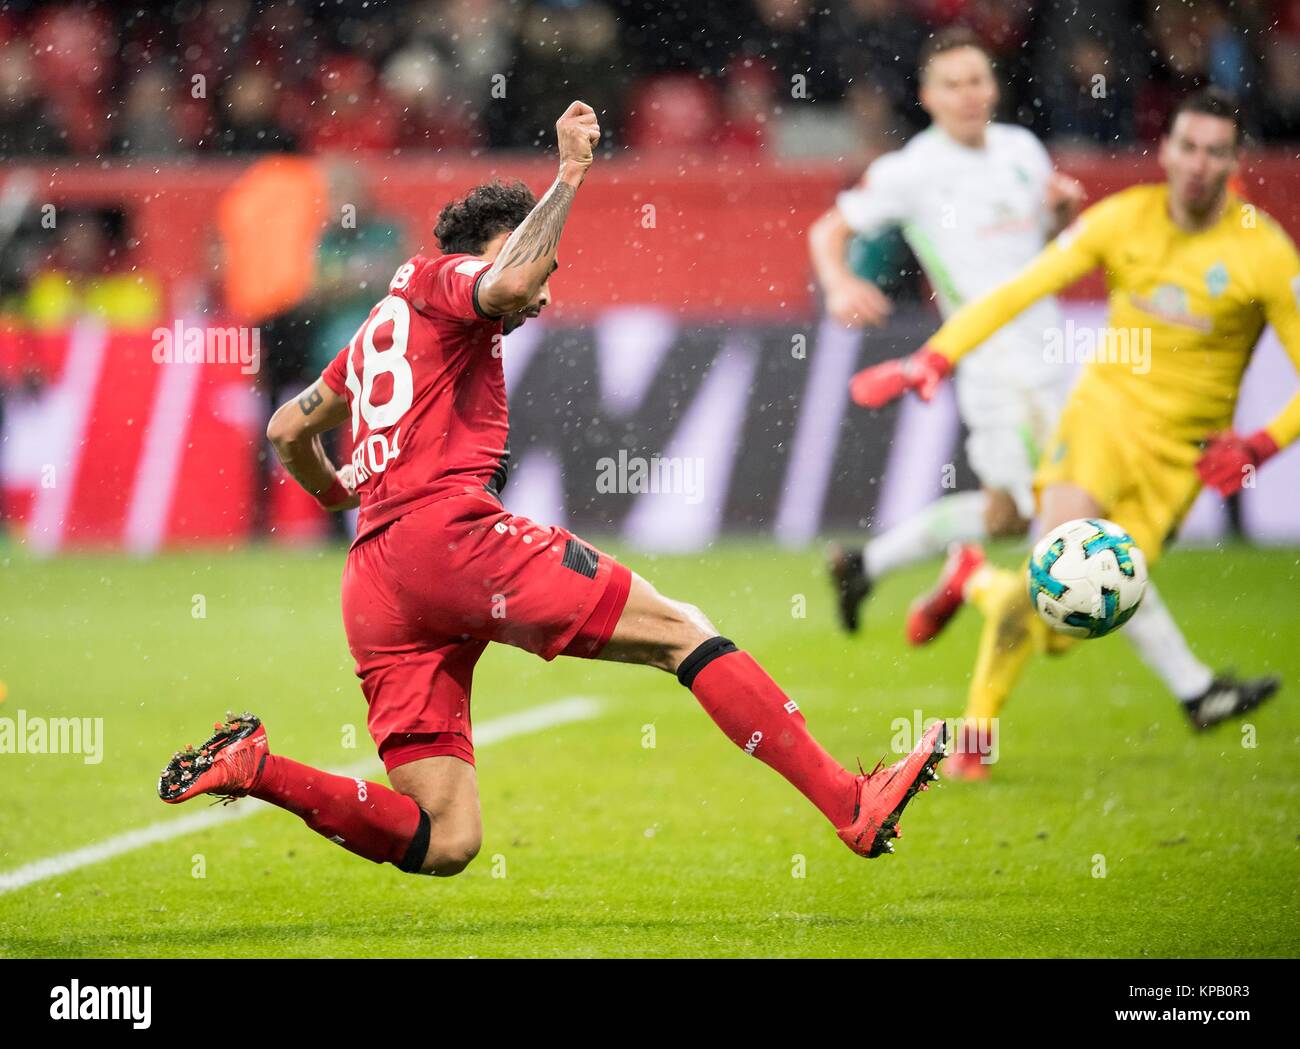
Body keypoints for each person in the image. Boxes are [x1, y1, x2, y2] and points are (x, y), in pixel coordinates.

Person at [156, 102, 946, 875]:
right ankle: (850, 801)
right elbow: (499, 286)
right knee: (682, 630)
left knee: (447, 838)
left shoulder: (377, 328)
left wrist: (334, 494)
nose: (543, 287)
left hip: (375, 582)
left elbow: (287, 431)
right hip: (452, 543)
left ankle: (258, 767)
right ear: (481, 252)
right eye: (532, 259)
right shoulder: (448, 276)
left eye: (550, 269)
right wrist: (568, 175)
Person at [850, 88, 1291, 777]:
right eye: (1187, 147)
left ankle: (972, 579)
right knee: (1058, 566)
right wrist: (935, 355)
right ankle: (977, 737)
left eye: (1215, 151)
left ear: (1236, 161)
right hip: (1100, 425)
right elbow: (1016, 291)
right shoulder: (1123, 220)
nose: (1198, 164)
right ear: (1166, 150)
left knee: (1069, 618)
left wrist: (1262, 443)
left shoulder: (1264, 253)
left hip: (1180, 461)